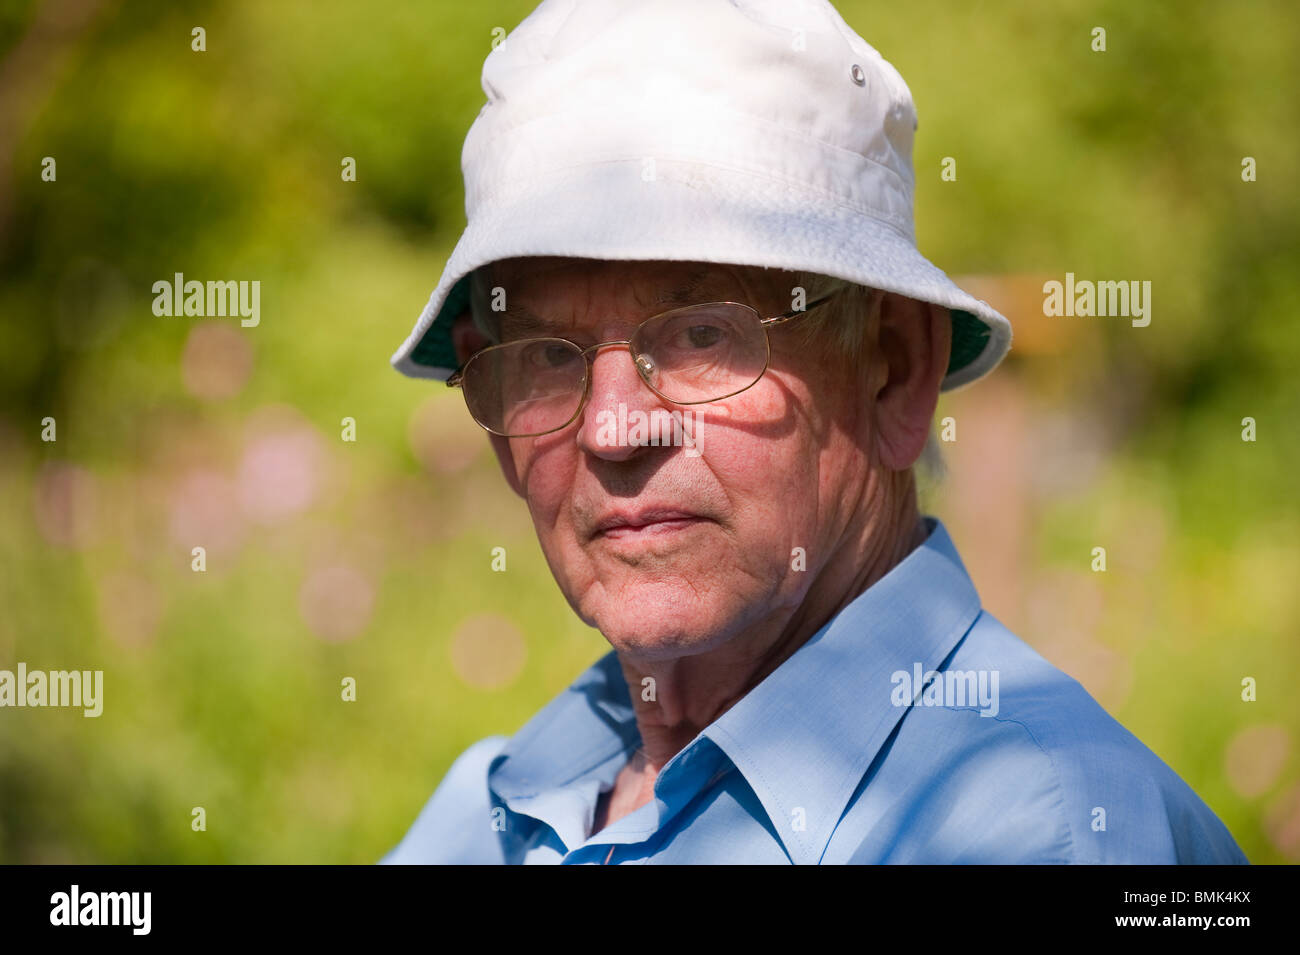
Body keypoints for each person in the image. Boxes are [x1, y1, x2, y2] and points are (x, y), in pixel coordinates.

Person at [381, 0, 1247, 864]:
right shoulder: (491, 809)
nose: (612, 429)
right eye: (545, 357)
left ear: (894, 367)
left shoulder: (1041, 829)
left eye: (700, 332)